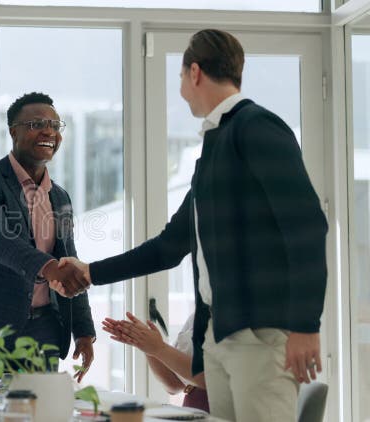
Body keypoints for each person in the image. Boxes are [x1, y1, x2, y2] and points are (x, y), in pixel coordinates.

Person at [51, 29, 327, 422]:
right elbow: (169, 246)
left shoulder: (258, 127)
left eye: (181, 78)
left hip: (260, 335)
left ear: (194, 72)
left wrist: (305, 327)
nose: (181, 89)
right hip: (218, 337)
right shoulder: (213, 149)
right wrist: (90, 272)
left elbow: (308, 226)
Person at [0, 92, 95, 384]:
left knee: (37, 414)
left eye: (55, 124)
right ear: (14, 131)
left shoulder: (59, 196)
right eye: (37, 123)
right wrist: (49, 268)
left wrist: (84, 331)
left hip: (43, 332)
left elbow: (69, 259)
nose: (49, 131)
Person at [102, 312, 208, 412]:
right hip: (193, 409)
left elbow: (209, 378)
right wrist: (146, 346)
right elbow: (174, 384)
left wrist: (159, 348)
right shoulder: (198, 315)